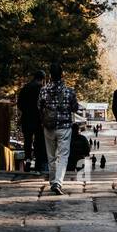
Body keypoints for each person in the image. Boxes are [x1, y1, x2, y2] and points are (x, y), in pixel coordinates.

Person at [38, 61, 79, 195]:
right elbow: (75, 108)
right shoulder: (69, 91)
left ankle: (52, 180)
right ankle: (58, 182)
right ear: (62, 75)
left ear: (50, 75)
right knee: (63, 156)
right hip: (65, 126)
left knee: (51, 156)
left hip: (48, 127)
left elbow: (39, 107)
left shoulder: (44, 90)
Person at [17, 70, 46, 174]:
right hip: (38, 120)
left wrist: (26, 110)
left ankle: (28, 160)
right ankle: (38, 165)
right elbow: (44, 105)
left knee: (27, 141)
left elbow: (19, 104)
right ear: (43, 79)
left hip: (27, 118)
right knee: (39, 142)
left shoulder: (25, 88)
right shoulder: (42, 90)